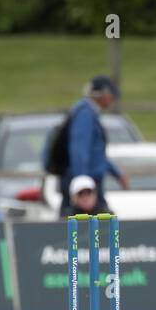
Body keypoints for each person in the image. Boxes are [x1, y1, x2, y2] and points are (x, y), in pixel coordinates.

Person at [52, 76, 128, 218]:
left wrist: (116, 173)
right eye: (111, 96)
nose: (112, 100)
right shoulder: (85, 114)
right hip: (84, 184)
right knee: (79, 224)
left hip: (87, 182)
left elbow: (96, 154)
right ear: (104, 94)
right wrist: (82, 186)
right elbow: (79, 150)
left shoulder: (88, 112)